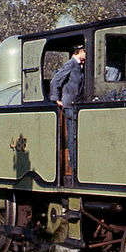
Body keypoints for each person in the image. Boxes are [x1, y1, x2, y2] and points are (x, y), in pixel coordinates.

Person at [50, 44, 86, 173]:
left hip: (77, 103)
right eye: (85, 51)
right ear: (80, 51)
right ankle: (74, 165)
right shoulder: (70, 65)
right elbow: (55, 81)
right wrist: (57, 99)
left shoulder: (79, 65)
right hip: (70, 104)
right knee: (72, 136)